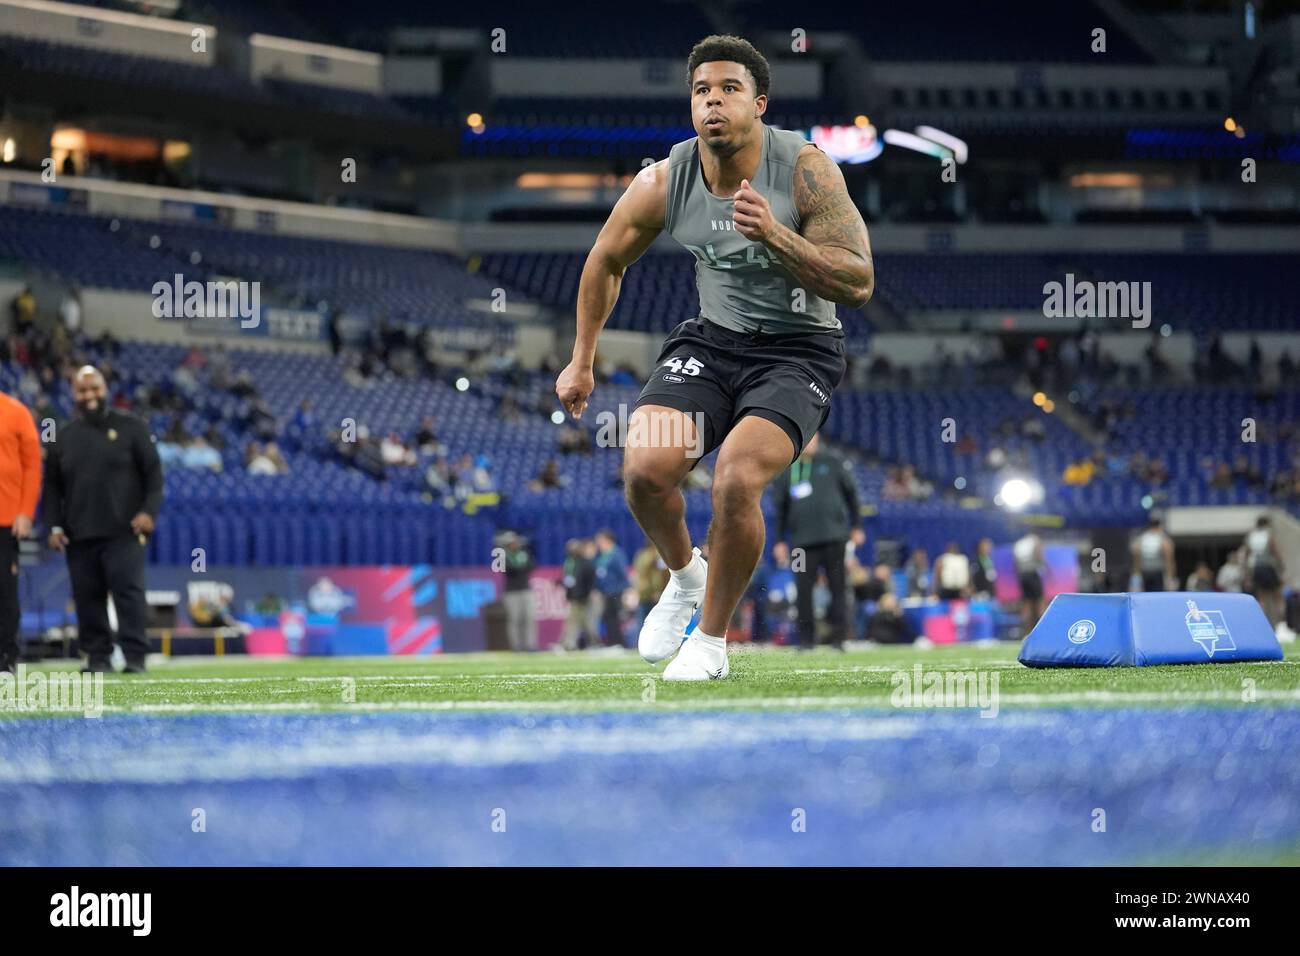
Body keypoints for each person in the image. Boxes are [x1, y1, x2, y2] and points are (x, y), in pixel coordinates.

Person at [554, 35, 872, 679]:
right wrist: (581, 359)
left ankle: (711, 641)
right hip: (713, 341)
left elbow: (859, 281)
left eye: (728, 89)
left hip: (798, 352)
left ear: (758, 103)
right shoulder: (665, 180)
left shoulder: (808, 169)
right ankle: (686, 575)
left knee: (735, 479)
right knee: (645, 471)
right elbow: (604, 261)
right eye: (702, 91)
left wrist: (777, 234)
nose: (713, 102)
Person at [44, 366, 163, 673]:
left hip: (125, 530)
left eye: (94, 388)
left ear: (105, 388)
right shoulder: (62, 437)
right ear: (73, 394)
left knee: (129, 594)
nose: (89, 395)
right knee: (87, 599)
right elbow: (52, 487)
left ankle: (135, 658)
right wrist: (54, 526)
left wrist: (148, 512)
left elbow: (154, 476)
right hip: (79, 533)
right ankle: (98, 658)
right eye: (83, 390)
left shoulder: (132, 427)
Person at [770, 432, 861, 650]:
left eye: (813, 437)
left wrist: (857, 526)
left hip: (834, 538)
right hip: (801, 543)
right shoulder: (787, 467)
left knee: (838, 588)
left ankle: (839, 638)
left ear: (818, 439)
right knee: (803, 590)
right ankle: (806, 640)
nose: (809, 442)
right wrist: (780, 540)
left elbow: (852, 495)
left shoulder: (833, 461)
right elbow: (780, 509)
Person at [0, 390, 42, 674]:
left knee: (4, 593)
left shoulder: (16, 411)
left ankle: (5, 659)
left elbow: (32, 465)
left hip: (5, 519)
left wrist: (26, 511)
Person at [1243, 515, 1287, 635]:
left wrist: (1247, 574)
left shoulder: (1251, 536)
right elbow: (1274, 551)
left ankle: (1263, 626)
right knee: (1278, 597)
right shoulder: (1268, 535)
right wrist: (1281, 566)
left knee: (1262, 598)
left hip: (1256, 568)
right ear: (1266, 524)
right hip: (1268, 567)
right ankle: (1282, 626)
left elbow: (1247, 556)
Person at [559, 538, 599, 651]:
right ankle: (571, 644)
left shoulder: (585, 563)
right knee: (576, 621)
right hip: (575, 597)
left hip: (583, 597)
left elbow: (589, 580)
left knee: (584, 621)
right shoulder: (569, 562)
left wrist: (585, 594)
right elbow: (570, 580)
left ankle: (592, 643)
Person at [593, 528, 630, 647]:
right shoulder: (603, 556)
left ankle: (619, 642)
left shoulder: (616, 554)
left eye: (600, 540)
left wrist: (627, 588)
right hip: (606, 591)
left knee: (612, 617)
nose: (598, 543)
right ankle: (614, 642)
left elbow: (622, 572)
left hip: (615, 590)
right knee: (608, 617)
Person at [500, 532, 537, 652]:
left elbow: (532, 566)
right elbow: (507, 569)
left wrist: (519, 568)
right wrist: (521, 568)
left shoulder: (523, 554)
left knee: (529, 618)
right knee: (514, 619)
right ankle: (515, 646)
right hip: (511, 591)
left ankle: (530, 645)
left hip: (526, 589)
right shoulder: (503, 556)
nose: (514, 545)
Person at [631, 536, 670, 649]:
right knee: (659, 621)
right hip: (654, 593)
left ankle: (639, 644)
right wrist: (659, 590)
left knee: (642, 620)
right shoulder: (657, 556)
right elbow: (662, 576)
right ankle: (658, 645)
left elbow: (637, 575)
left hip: (643, 592)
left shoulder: (640, 555)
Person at [1013, 530, 1046, 633]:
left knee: (1026, 604)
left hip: (1023, 575)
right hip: (1033, 573)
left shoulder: (1018, 544)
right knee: (1040, 602)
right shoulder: (1035, 540)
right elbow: (1038, 555)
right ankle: (1042, 631)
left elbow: (1016, 563)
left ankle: (1026, 632)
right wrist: (1046, 568)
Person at [1131, 514, 1175, 592]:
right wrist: (1170, 578)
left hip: (1145, 572)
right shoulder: (1164, 539)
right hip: (1157, 573)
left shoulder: (1142, 538)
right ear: (1160, 525)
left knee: (1145, 597)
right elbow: (1169, 560)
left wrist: (1136, 578)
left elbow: (1136, 560)